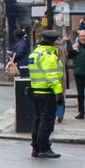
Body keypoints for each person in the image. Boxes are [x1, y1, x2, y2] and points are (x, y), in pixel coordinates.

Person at [27, 31, 64, 159]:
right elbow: (52, 76)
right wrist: (59, 93)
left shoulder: (35, 52)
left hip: (36, 91)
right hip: (47, 92)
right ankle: (44, 148)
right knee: (47, 120)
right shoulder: (48, 55)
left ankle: (36, 147)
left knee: (38, 119)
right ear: (53, 41)